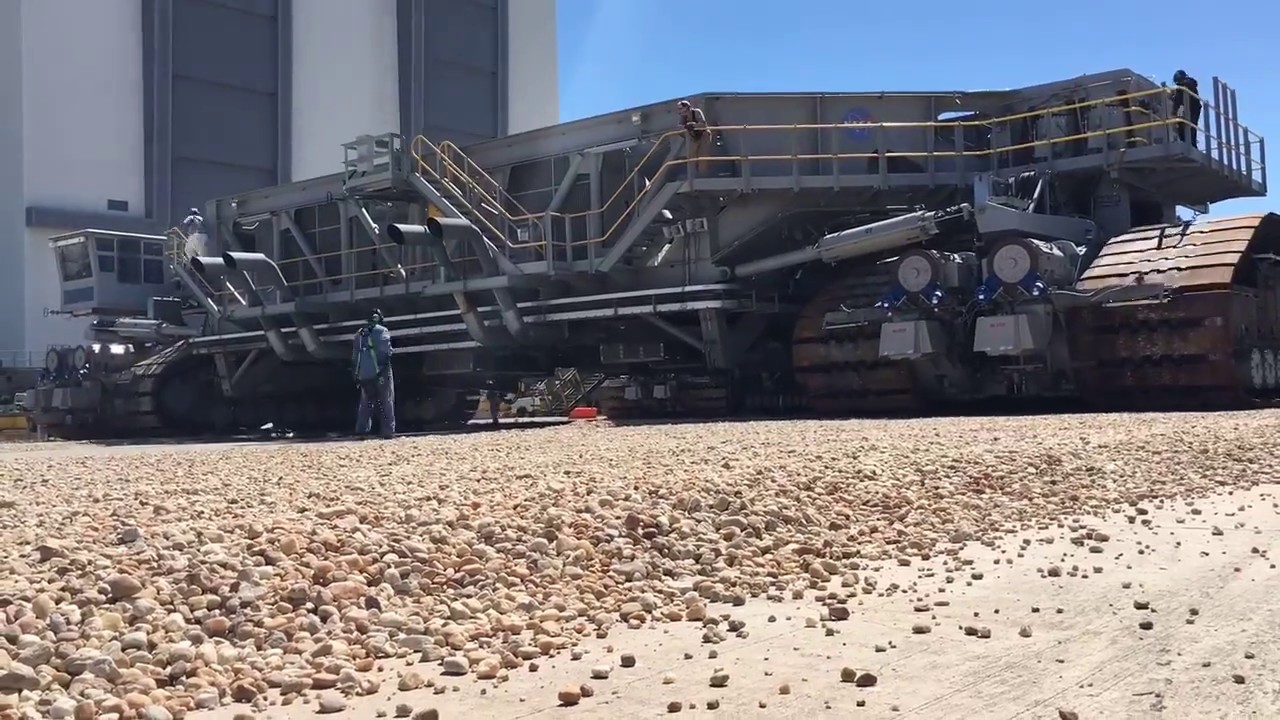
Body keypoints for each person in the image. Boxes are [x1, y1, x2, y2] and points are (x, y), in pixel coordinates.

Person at [352, 309, 395, 438]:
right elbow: (387, 353)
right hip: (381, 373)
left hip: (364, 374)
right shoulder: (382, 331)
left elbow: (355, 357)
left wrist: (357, 375)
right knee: (386, 401)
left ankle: (362, 430)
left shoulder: (359, 334)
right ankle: (387, 431)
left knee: (366, 403)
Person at [677, 100, 712, 176]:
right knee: (691, 156)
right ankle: (692, 176)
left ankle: (702, 175)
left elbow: (703, 124)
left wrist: (692, 125)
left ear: (687, 107)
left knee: (702, 156)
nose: (680, 111)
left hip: (703, 135)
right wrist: (686, 126)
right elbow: (679, 127)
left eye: (681, 108)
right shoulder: (683, 117)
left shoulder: (696, 112)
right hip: (693, 137)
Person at [1170, 70, 1201, 147]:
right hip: (1194, 110)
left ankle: (1186, 143)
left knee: (1182, 126)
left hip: (1185, 108)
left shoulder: (1183, 86)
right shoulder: (1191, 85)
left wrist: (1175, 112)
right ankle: (1192, 145)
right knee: (1192, 130)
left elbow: (1179, 102)